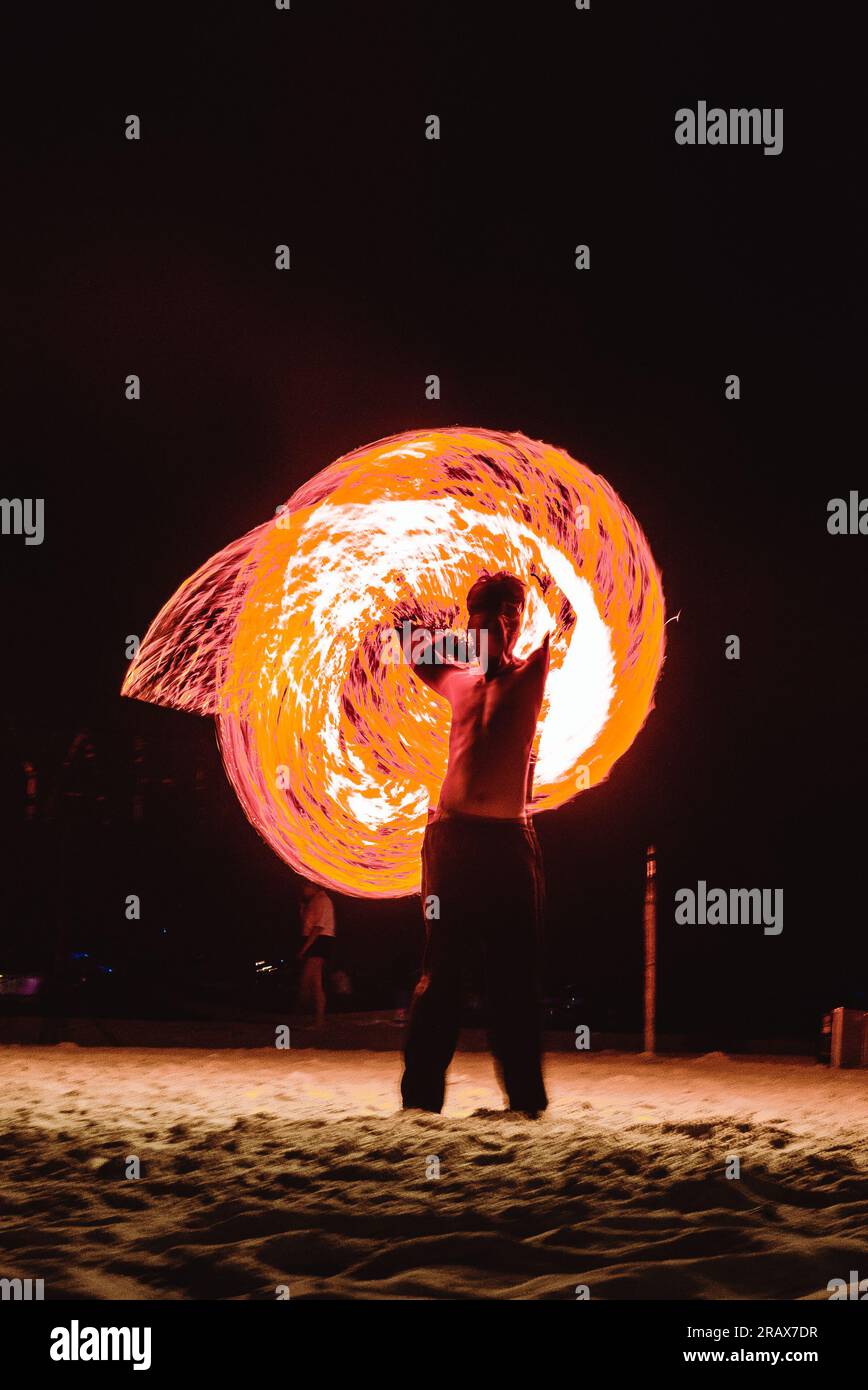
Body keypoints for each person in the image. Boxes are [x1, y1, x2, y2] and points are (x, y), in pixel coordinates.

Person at [397, 570, 551, 1116]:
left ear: (520, 623)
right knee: (441, 975)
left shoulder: (534, 671)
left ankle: (526, 1101)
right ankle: (420, 1104)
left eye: (510, 618)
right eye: (488, 620)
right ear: (471, 625)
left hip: (509, 844)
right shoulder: (457, 681)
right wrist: (400, 588)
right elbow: (410, 643)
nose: (500, 629)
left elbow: (575, 618)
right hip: (452, 841)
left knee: (514, 979)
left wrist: (543, 581)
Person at [296, 879, 336, 1029]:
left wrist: (305, 949)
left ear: (314, 887)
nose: (303, 890)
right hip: (316, 941)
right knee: (315, 983)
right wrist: (302, 909)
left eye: (305, 886)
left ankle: (304, 1016)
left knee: (306, 981)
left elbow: (318, 927)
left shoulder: (322, 901)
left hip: (319, 942)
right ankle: (317, 1020)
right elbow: (308, 924)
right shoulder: (314, 901)